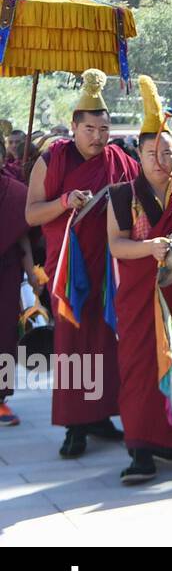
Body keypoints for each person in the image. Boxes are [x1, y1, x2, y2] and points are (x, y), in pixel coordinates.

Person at [26, 69, 140, 458]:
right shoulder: (52, 159)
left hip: (110, 267)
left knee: (107, 342)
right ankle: (74, 423)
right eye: (90, 128)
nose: (98, 136)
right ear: (74, 126)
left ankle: (101, 415)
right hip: (69, 270)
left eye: (104, 129)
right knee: (73, 344)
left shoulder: (122, 161)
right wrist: (63, 202)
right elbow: (31, 215)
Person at [105, 78, 172, 484]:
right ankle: (139, 448)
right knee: (140, 369)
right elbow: (116, 247)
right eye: (152, 152)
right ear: (138, 156)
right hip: (140, 297)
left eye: (169, 152)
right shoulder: (122, 195)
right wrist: (151, 248)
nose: (161, 159)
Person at [0, 170, 38, 426]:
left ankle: (0, 400)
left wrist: (32, 272)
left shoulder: (12, 191)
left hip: (6, 271)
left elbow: (21, 234)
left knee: (4, 336)